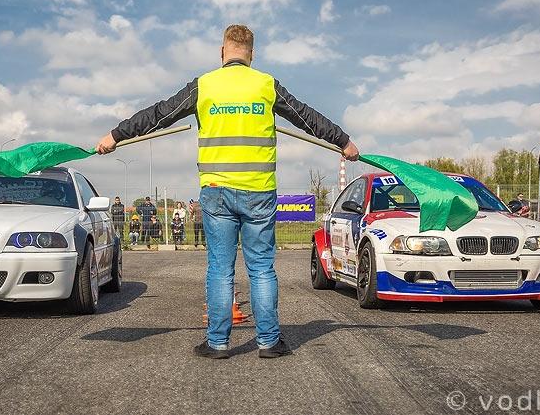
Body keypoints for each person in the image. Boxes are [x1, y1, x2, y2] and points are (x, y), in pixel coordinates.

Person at [96, 24, 359, 359]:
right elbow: (307, 118)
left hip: (217, 191)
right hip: (259, 192)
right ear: (251, 54)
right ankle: (268, 342)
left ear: (223, 52)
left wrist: (115, 136)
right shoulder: (265, 85)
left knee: (220, 267)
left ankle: (218, 343)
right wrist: (344, 142)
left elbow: (160, 114)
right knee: (262, 267)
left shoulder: (204, 85)